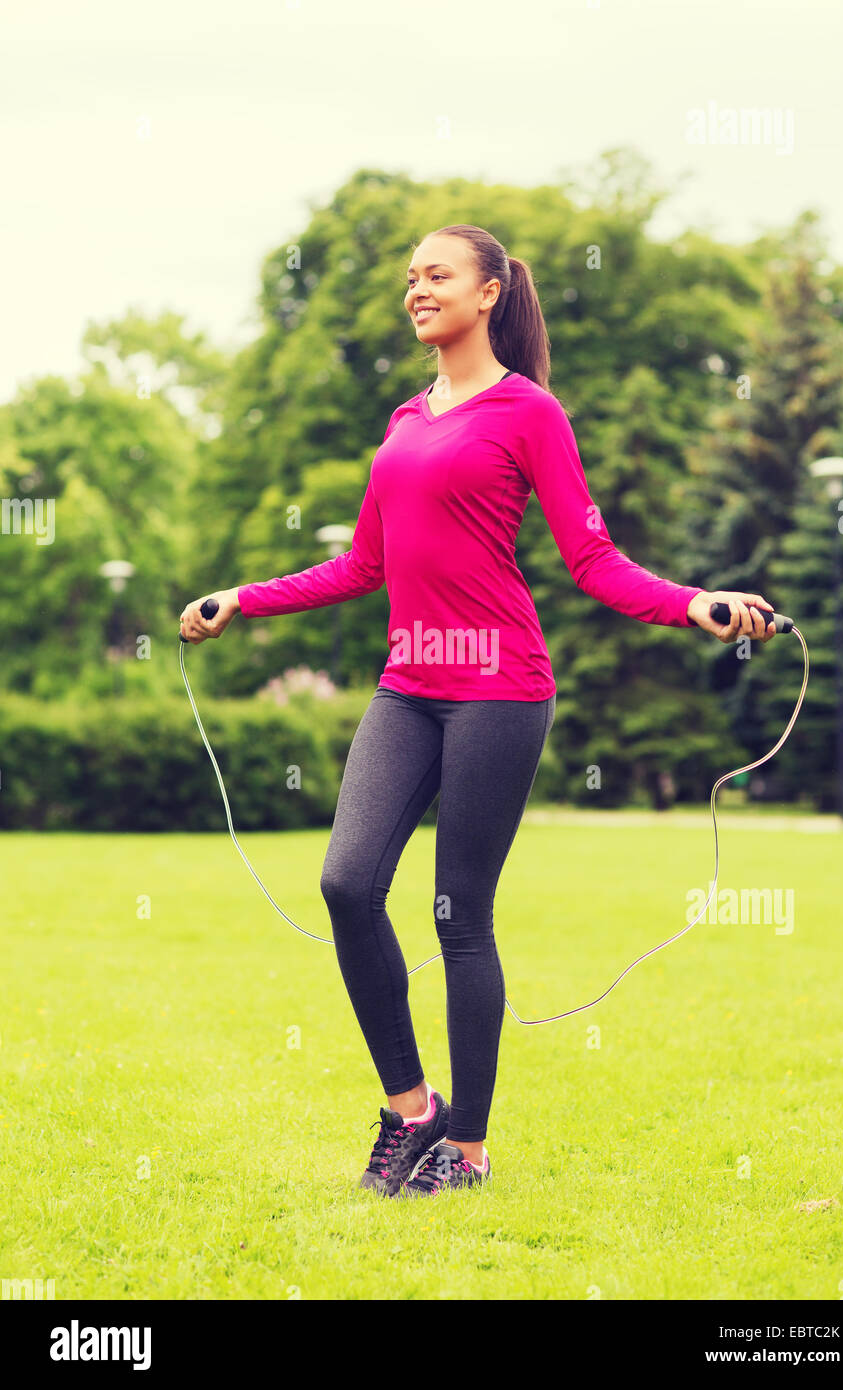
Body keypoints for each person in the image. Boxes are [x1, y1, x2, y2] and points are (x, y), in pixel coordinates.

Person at [179, 223, 777, 1199]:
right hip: (409, 683)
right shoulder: (403, 420)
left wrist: (693, 604)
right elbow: (362, 565)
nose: (417, 290)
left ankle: (466, 1152)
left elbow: (592, 559)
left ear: (489, 292)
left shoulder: (528, 412)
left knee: (458, 912)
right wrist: (244, 597)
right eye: (409, 276)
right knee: (344, 882)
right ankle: (413, 1111)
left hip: (499, 687)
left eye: (437, 275)